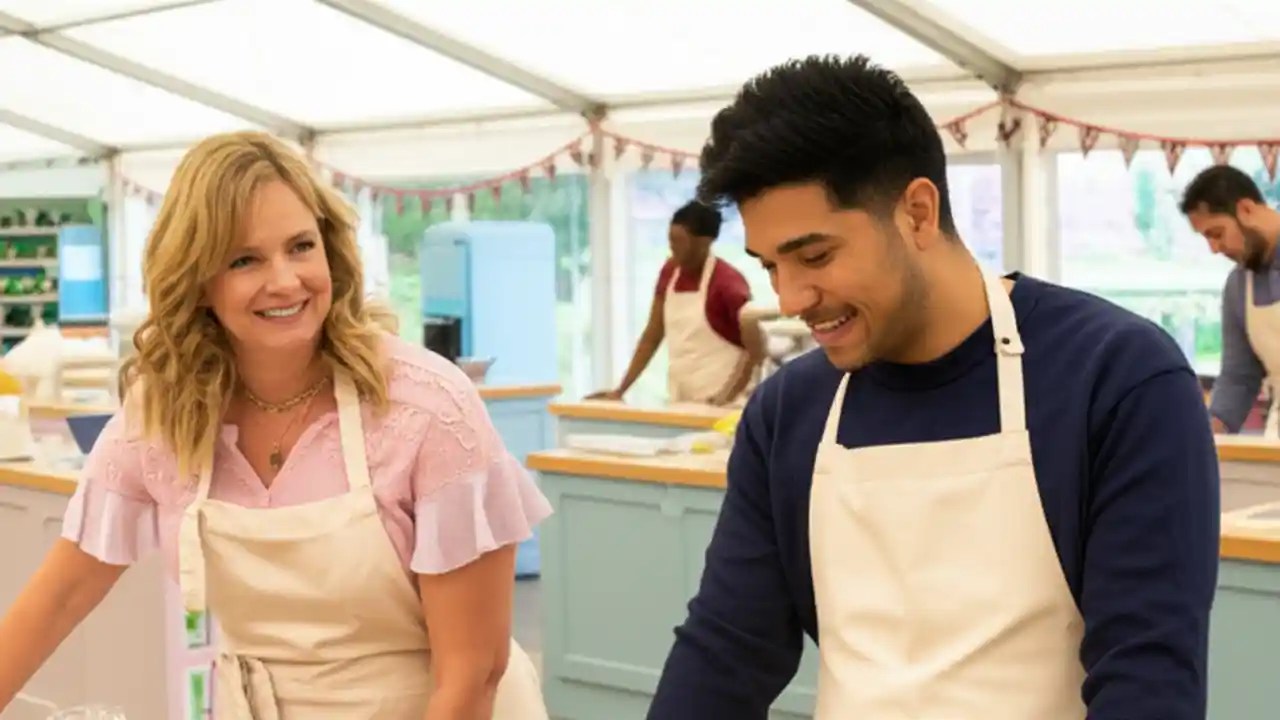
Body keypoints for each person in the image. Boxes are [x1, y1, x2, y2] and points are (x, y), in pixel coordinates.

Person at [647, 55, 1219, 719]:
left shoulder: (1116, 378)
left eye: (815, 256)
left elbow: (1148, 679)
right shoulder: (788, 413)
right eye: (771, 265)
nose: (793, 297)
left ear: (917, 213)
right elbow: (725, 653)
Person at [0, 132, 553, 719]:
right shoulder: (163, 416)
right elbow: (61, 596)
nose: (286, 280)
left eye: (300, 247)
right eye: (245, 259)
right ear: (198, 282)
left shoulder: (425, 408)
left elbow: (472, 673)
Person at [588, 201, 765, 405]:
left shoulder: (728, 283)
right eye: (671, 240)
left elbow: (756, 350)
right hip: (682, 398)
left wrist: (726, 396)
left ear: (705, 242)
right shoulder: (669, 272)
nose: (673, 249)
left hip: (726, 403)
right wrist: (620, 390)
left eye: (680, 242)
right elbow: (652, 336)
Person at [1179, 164, 1280, 436]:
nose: (1214, 249)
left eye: (1217, 233)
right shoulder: (1239, 287)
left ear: (1246, 209)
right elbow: (1239, 378)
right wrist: (1207, 435)